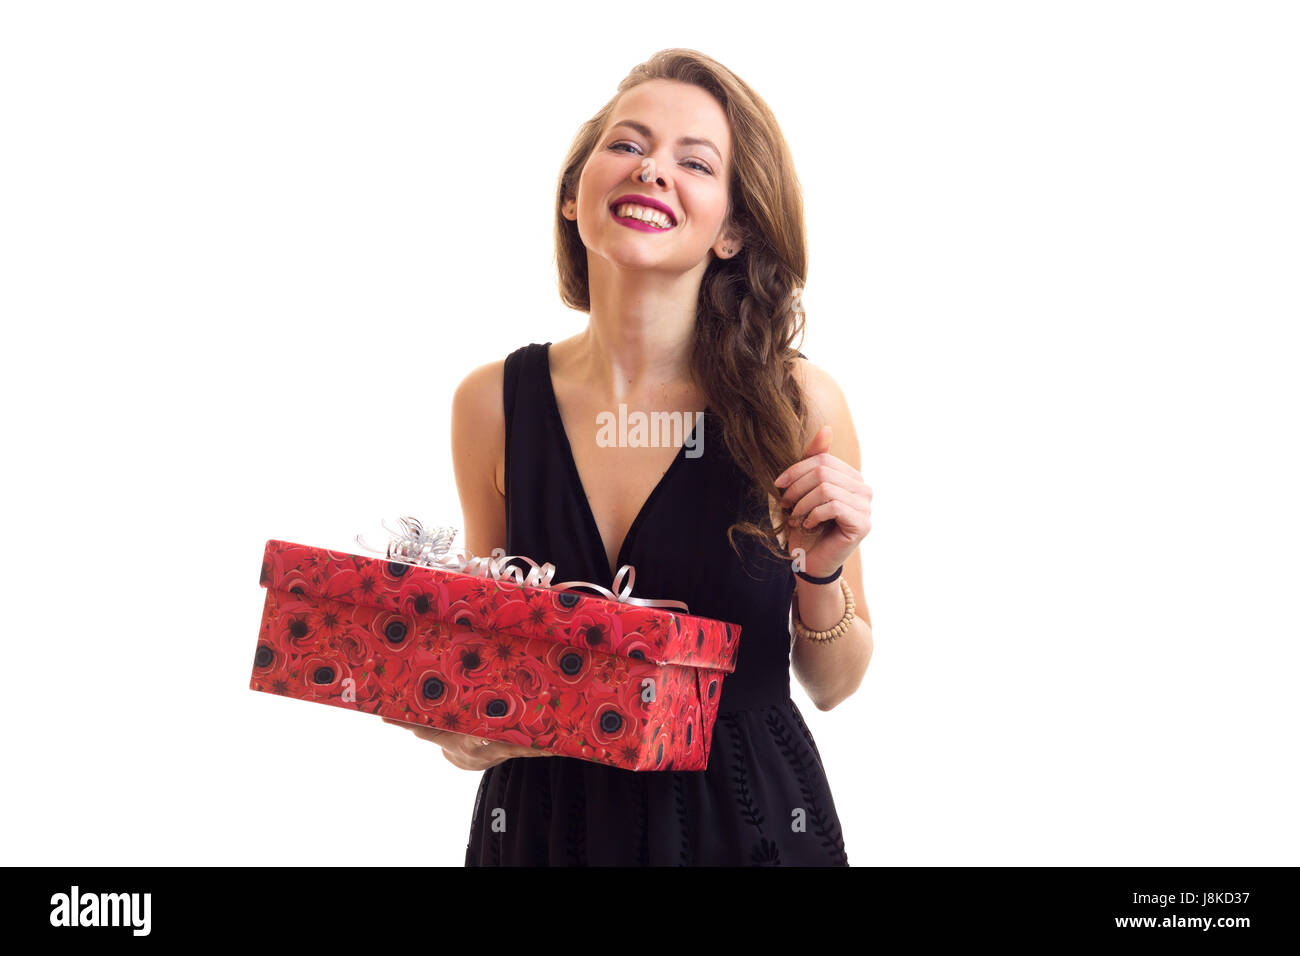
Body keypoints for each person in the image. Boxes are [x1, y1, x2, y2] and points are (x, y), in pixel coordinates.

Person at [384, 48, 874, 866]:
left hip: (745, 827)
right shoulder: (490, 404)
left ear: (732, 230)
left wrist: (821, 574)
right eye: (627, 145)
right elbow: (491, 657)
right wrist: (461, 730)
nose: (652, 170)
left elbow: (834, 684)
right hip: (543, 831)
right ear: (575, 197)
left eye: (694, 161)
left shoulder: (799, 404)